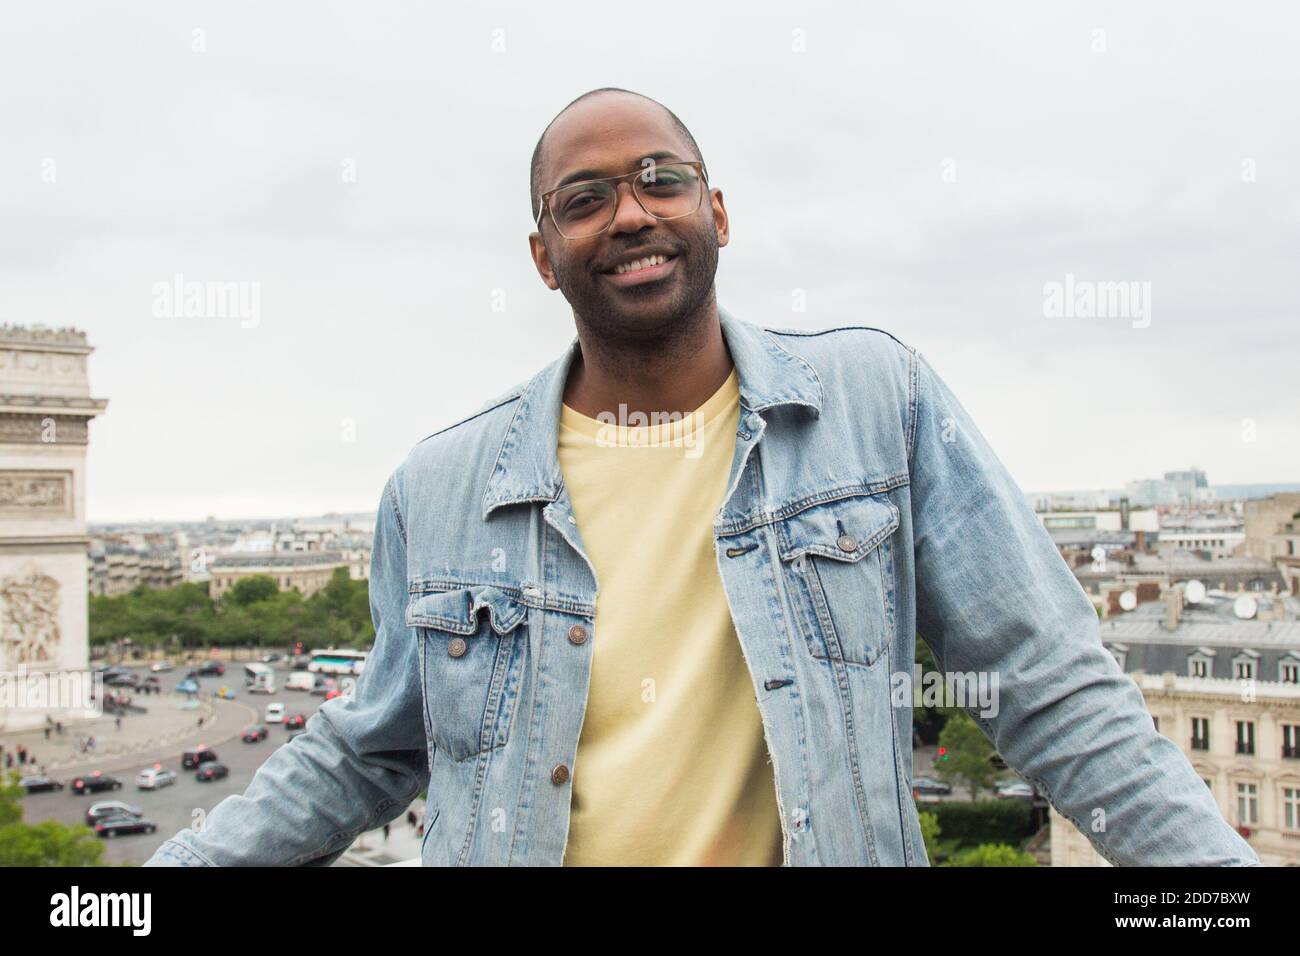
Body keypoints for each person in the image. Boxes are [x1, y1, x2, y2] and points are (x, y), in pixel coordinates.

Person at [145, 87, 1260, 868]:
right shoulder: (436, 486)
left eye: (660, 180)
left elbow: (1051, 690)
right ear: (542, 257)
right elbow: (370, 750)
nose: (628, 212)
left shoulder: (877, 400)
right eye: (582, 199)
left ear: (715, 211)